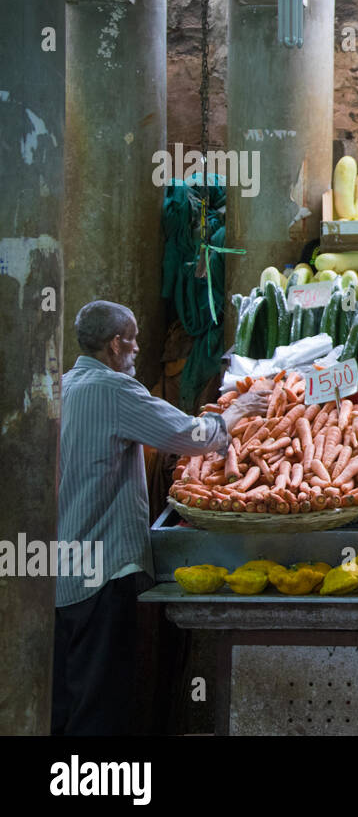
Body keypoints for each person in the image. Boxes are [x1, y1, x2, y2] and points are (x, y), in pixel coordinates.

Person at [53, 300, 268, 735]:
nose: (137, 350)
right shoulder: (114, 390)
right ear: (116, 344)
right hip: (103, 572)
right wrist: (239, 409)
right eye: (133, 340)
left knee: (68, 698)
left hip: (61, 573)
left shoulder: (63, 386)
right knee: (102, 702)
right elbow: (190, 436)